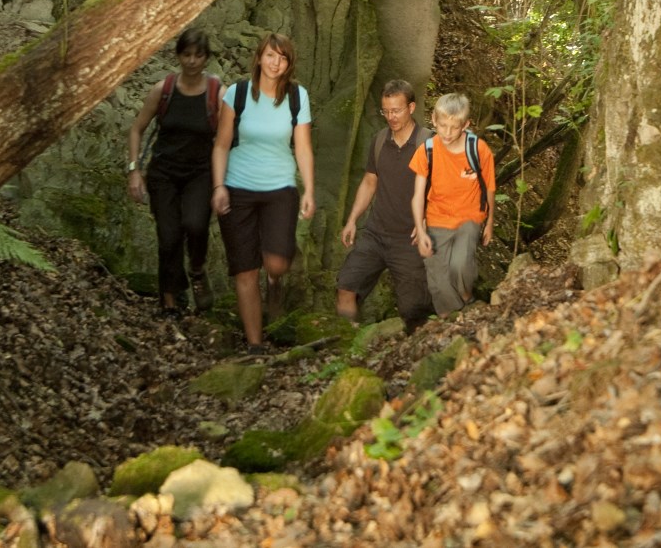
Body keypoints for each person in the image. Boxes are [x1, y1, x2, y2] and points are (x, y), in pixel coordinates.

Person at [212, 32, 316, 356]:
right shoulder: (237, 94)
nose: (276, 63)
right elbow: (221, 144)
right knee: (244, 270)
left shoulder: (297, 96)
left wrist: (309, 188)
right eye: (270, 55)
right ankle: (256, 345)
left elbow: (302, 147)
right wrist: (218, 186)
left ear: (289, 63)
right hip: (238, 187)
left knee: (275, 262)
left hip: (279, 187)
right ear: (259, 57)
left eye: (283, 58)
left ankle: (275, 280)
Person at [125, 29, 220, 314]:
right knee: (169, 236)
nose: (192, 61)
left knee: (195, 224)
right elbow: (136, 129)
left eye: (198, 55)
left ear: (206, 58)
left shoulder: (217, 94)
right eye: (187, 54)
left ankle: (197, 269)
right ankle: (169, 297)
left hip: (200, 173)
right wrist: (134, 170)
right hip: (163, 173)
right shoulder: (163, 90)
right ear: (178, 56)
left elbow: (229, 136)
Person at [335, 80, 433, 330]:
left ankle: (413, 362)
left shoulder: (429, 144)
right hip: (376, 234)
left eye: (396, 110)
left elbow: (444, 189)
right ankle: (347, 352)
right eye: (386, 111)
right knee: (346, 287)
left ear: (411, 107)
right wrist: (352, 220)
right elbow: (370, 182)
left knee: (413, 312)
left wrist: (426, 221)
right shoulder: (379, 140)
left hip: (409, 240)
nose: (391, 117)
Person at [408, 92, 494, 318]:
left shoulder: (478, 150)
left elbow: (490, 188)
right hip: (437, 217)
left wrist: (490, 222)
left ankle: (466, 295)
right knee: (436, 273)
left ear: (465, 125)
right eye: (442, 125)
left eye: (454, 127)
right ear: (434, 120)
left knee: (459, 265)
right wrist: (420, 226)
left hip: (469, 217)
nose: (447, 133)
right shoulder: (426, 151)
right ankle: (453, 318)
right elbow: (417, 194)